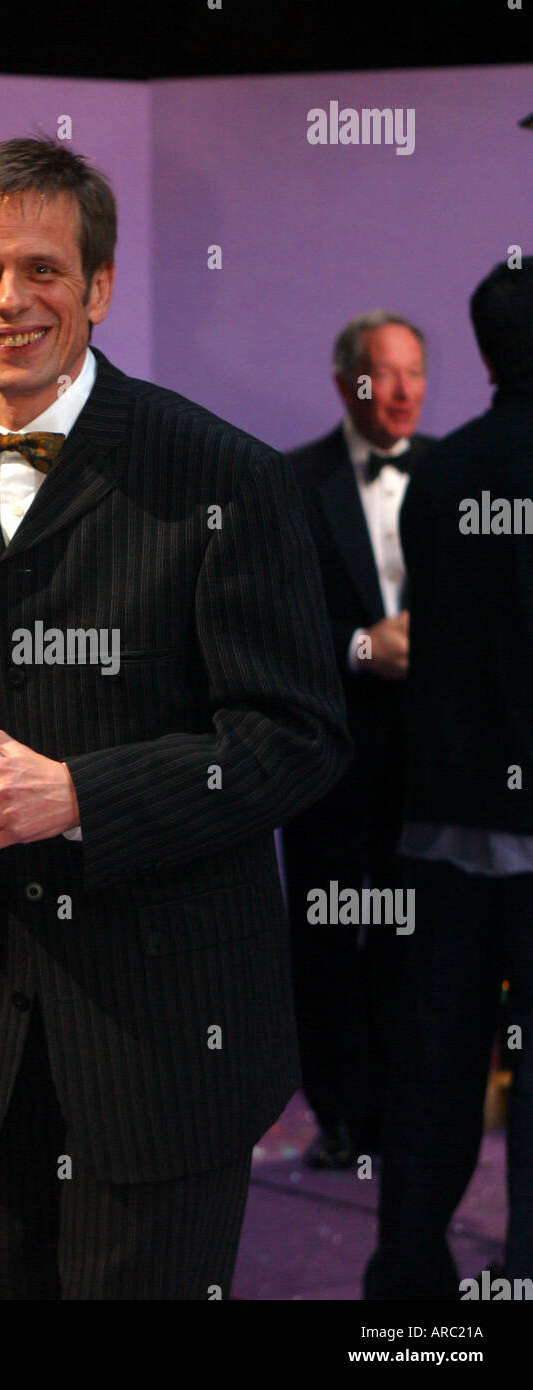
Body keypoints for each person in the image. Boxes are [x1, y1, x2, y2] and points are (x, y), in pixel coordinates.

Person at [0, 136, 351, 1300]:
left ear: (100, 287)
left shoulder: (223, 474)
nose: (7, 300)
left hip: (167, 1042)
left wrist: (79, 795)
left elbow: (298, 735)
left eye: (41, 269)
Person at [364, 262, 533, 1298]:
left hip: (446, 825)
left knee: (435, 1070)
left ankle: (408, 1280)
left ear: (477, 352)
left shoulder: (445, 469)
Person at [282, 311, 433, 1168]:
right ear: (346, 385)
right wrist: (357, 646)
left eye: (415, 372)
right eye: (386, 375)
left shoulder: (457, 471)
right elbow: (270, 623)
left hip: (432, 760)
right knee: (328, 937)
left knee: (420, 937)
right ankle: (341, 1114)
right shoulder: (290, 482)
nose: (404, 391)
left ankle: (412, 1112)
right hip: (329, 754)